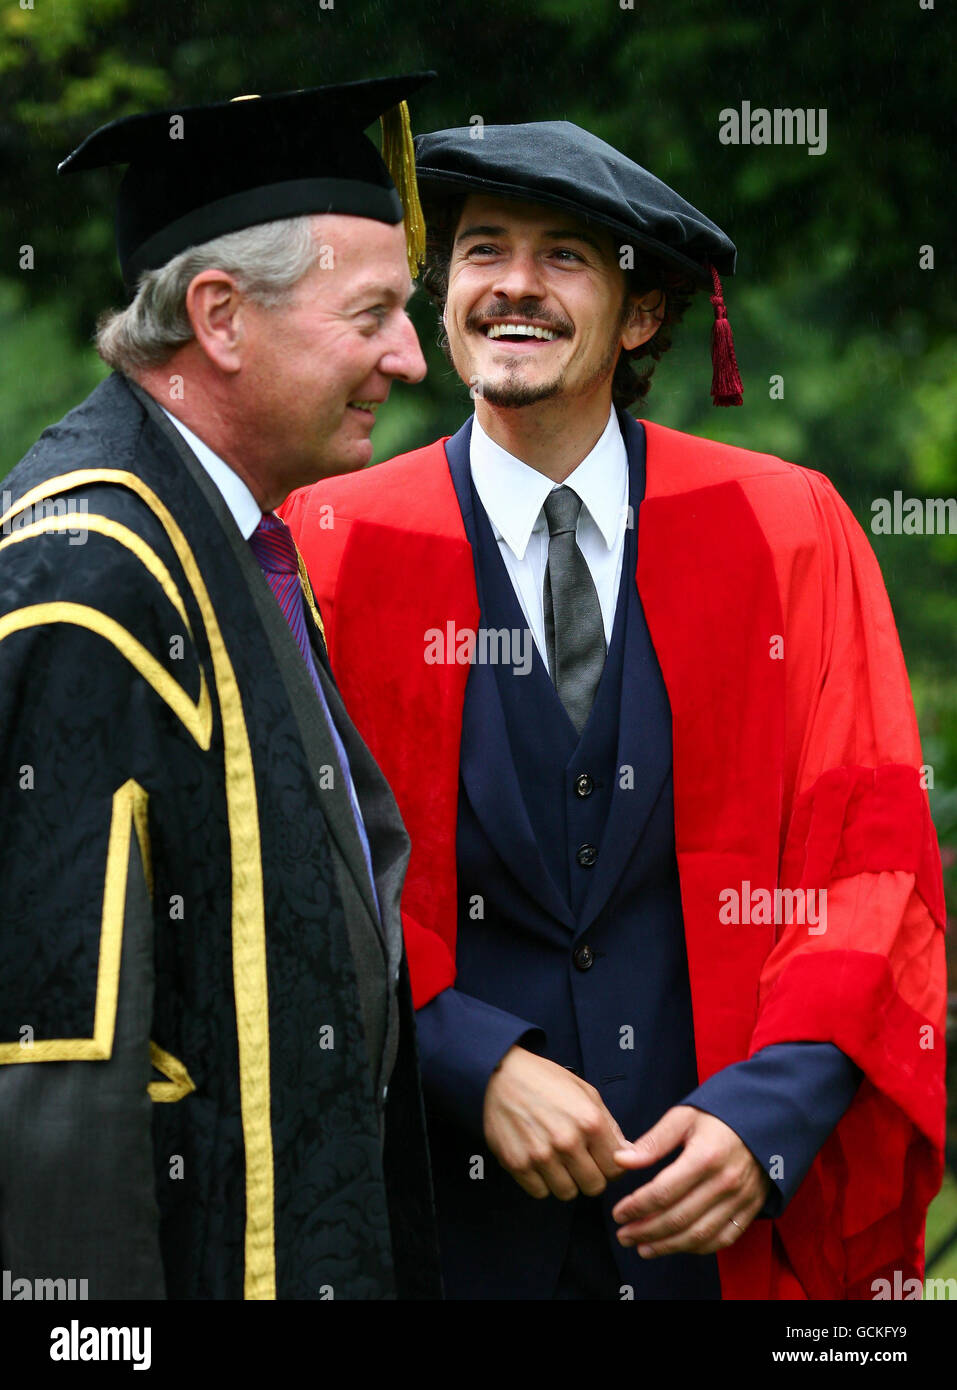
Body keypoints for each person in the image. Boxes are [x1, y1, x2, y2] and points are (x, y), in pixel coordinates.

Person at [281, 120, 947, 1300]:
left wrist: (770, 1114)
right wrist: (466, 1059)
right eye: (484, 251)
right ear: (446, 299)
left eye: (566, 257)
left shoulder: (786, 531)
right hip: (440, 1220)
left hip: (709, 1221)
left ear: (641, 317)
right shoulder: (334, 548)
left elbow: (869, 852)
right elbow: (295, 874)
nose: (516, 286)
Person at [0, 74, 443, 1300]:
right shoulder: (89, 574)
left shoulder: (230, 543)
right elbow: (56, 1067)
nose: (412, 355)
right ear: (221, 315)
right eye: (374, 316)